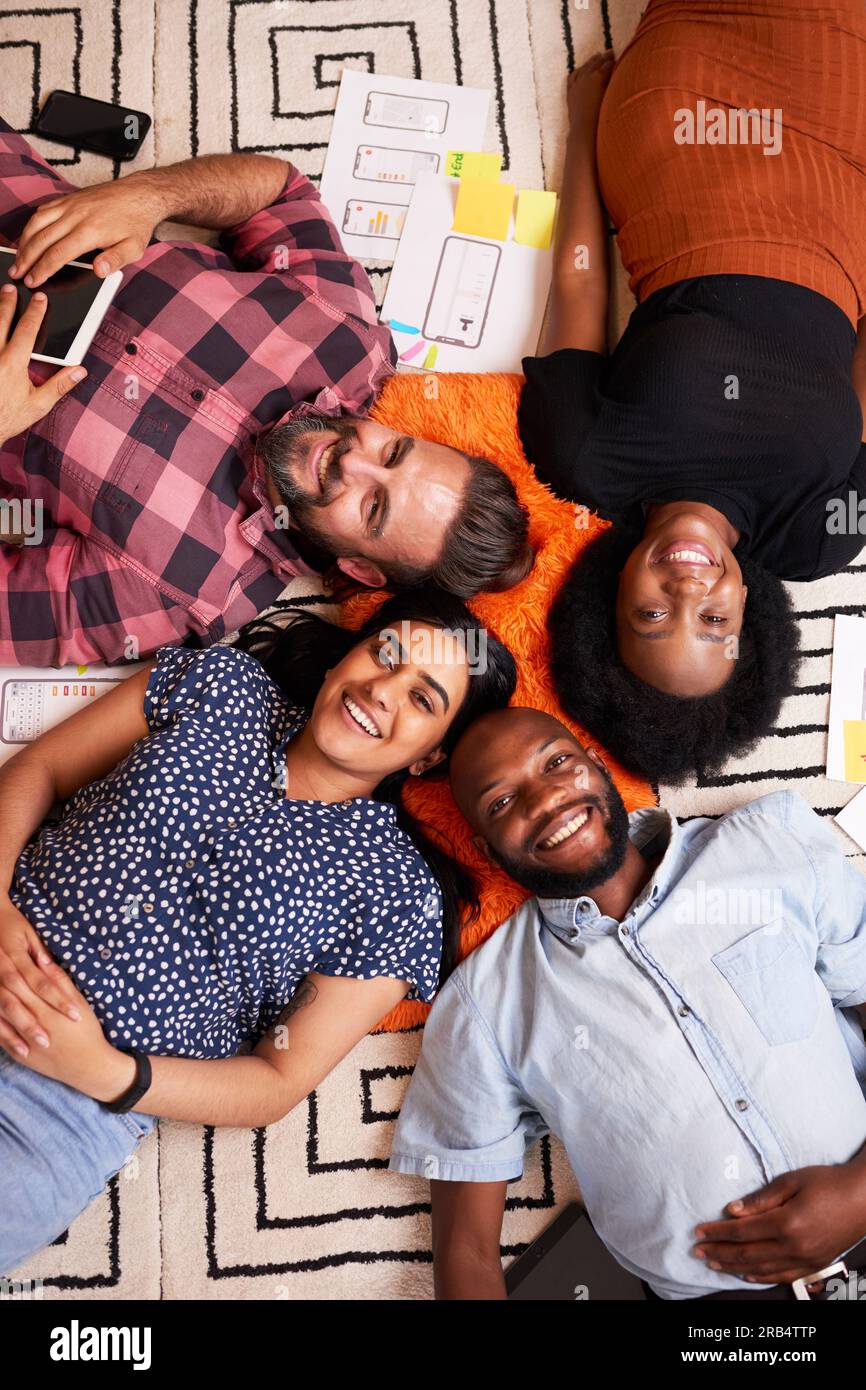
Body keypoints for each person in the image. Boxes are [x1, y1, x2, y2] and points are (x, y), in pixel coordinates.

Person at [0, 590, 516, 1273]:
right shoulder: (224, 686)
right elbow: (41, 768)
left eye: (423, 700)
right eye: (383, 656)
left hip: (66, 1101)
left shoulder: (398, 894)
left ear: (429, 757)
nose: (383, 691)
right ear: (341, 663)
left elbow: (277, 1080)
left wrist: (106, 1072)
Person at [0, 123, 532, 666]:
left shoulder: (181, 596)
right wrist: (150, 196)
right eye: (393, 452)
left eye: (375, 506)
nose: (354, 461)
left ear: (361, 570)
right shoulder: (347, 335)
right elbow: (283, 191)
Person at [388, 707, 866, 1301]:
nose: (546, 800)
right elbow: (466, 1251)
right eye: (503, 803)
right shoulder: (486, 1005)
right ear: (486, 850)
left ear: (595, 762)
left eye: (558, 762)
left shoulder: (768, 846)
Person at [518, 3, 866, 782]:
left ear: (610, 597)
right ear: (751, 618)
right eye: (713, 620)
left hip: (690, 135)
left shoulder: (582, 458)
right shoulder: (825, 533)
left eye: (651, 615)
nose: (687, 587)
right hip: (846, 192)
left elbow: (578, 284)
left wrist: (582, 128)